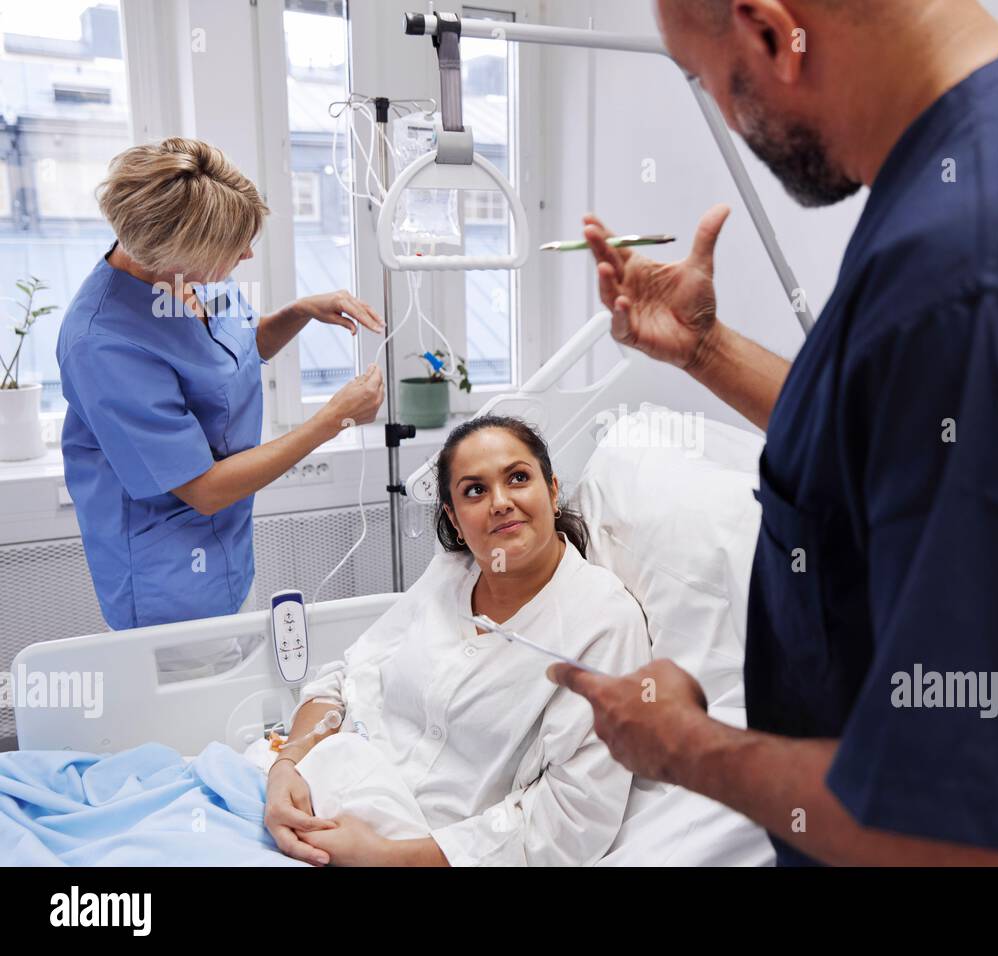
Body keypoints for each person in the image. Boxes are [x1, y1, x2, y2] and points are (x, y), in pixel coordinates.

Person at [548, 0, 998, 866]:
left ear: (771, 34)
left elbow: (981, 840)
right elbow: (902, 434)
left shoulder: (986, 266)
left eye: (708, 82)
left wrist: (681, 745)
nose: (727, 117)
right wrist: (706, 350)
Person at [261, 416, 651, 866]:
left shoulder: (602, 623)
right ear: (453, 516)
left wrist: (384, 856)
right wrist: (286, 765)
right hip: (309, 803)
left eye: (518, 478)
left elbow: (569, 825)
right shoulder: (449, 576)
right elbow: (344, 682)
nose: (500, 502)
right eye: (474, 490)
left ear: (551, 489)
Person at [57, 137, 386, 632]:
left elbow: (227, 355)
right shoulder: (102, 344)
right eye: (236, 248)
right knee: (202, 705)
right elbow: (204, 491)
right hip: (168, 585)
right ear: (174, 251)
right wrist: (334, 419)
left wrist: (299, 313)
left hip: (229, 551)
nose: (248, 255)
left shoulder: (185, 275)